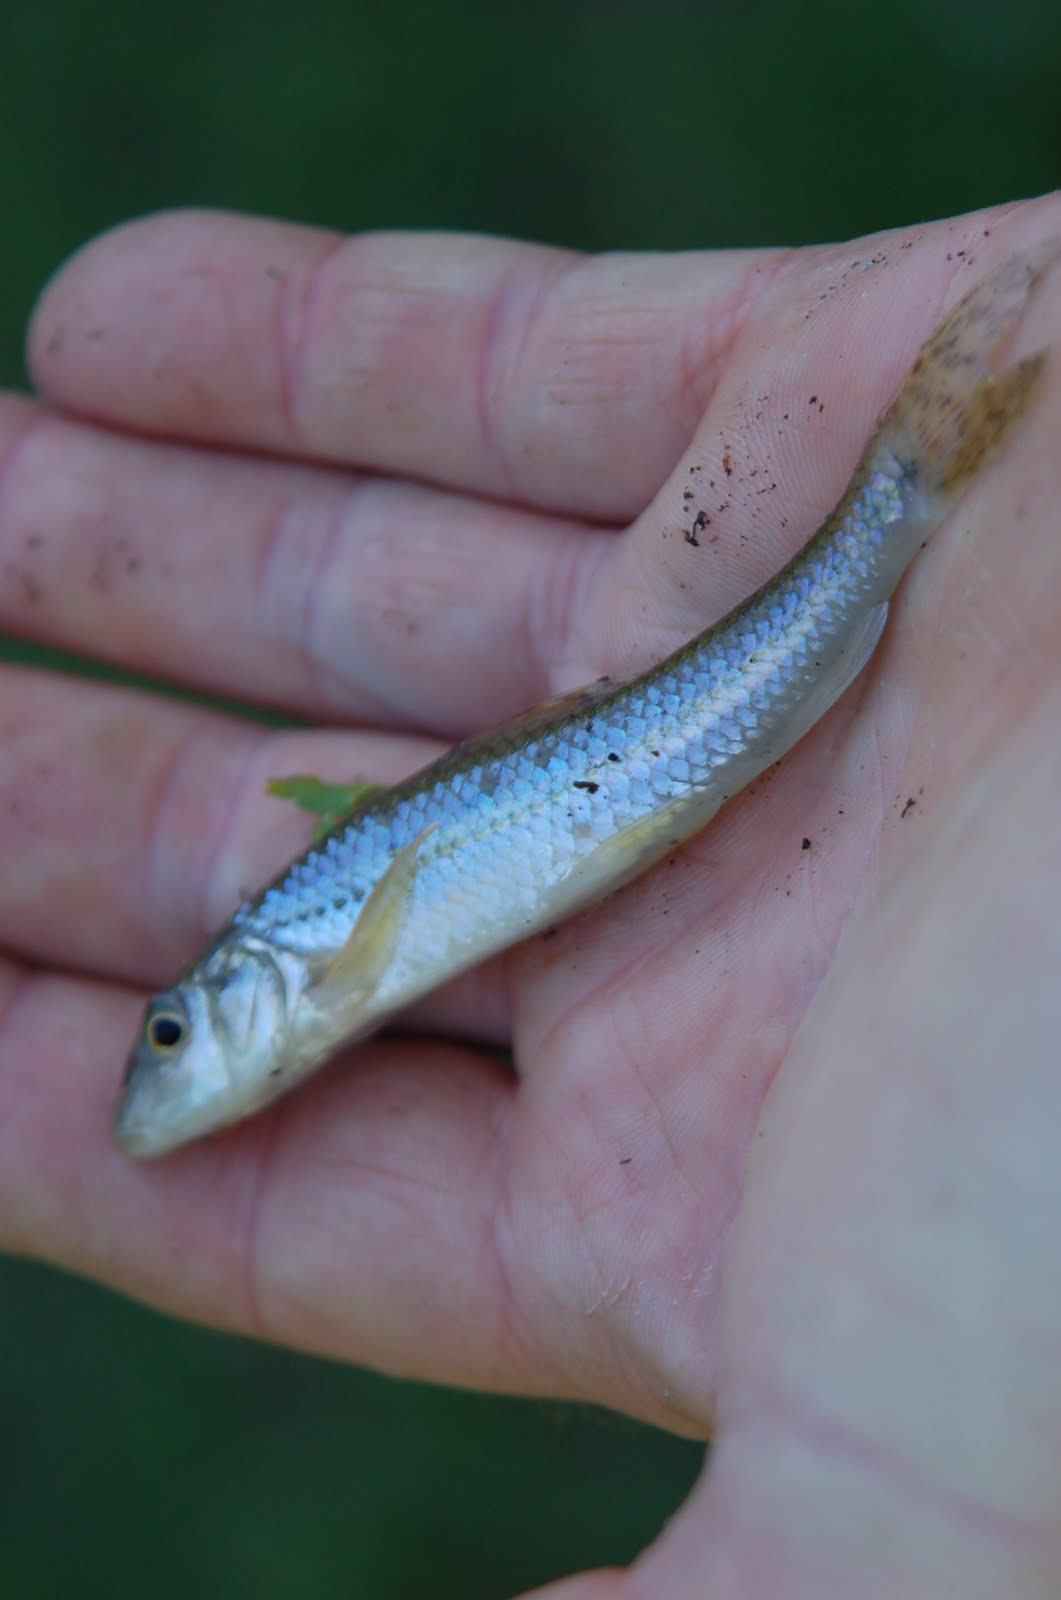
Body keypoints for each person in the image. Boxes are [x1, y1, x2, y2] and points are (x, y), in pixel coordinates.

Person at [1, 196, 1059, 1598]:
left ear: (238, 996)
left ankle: (901, 491)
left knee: (823, 610)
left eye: (179, 1038)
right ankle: (906, 490)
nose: (179, 1069)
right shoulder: (314, 979)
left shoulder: (308, 960)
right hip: (637, 775)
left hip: (668, 751)